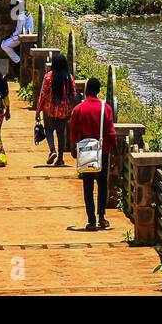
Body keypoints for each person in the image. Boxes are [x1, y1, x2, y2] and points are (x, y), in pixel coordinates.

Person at [70, 77, 116, 231]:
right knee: (102, 184)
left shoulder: (78, 109)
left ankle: (91, 220)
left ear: (86, 90)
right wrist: (110, 149)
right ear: (98, 91)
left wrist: (74, 149)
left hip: (85, 151)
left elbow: (74, 131)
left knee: (87, 185)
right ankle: (102, 217)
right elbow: (110, 132)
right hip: (102, 150)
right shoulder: (106, 108)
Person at [37, 50, 76, 167]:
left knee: (49, 130)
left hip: (49, 108)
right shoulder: (69, 77)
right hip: (64, 110)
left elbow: (43, 94)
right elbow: (73, 94)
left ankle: (52, 150)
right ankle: (60, 158)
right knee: (61, 133)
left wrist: (38, 110)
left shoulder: (48, 77)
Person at [0, 3, 35, 78]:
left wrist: (12, 35)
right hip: (26, 34)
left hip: (24, 36)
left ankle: (17, 60)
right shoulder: (25, 12)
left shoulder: (21, 15)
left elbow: (19, 30)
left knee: (4, 45)